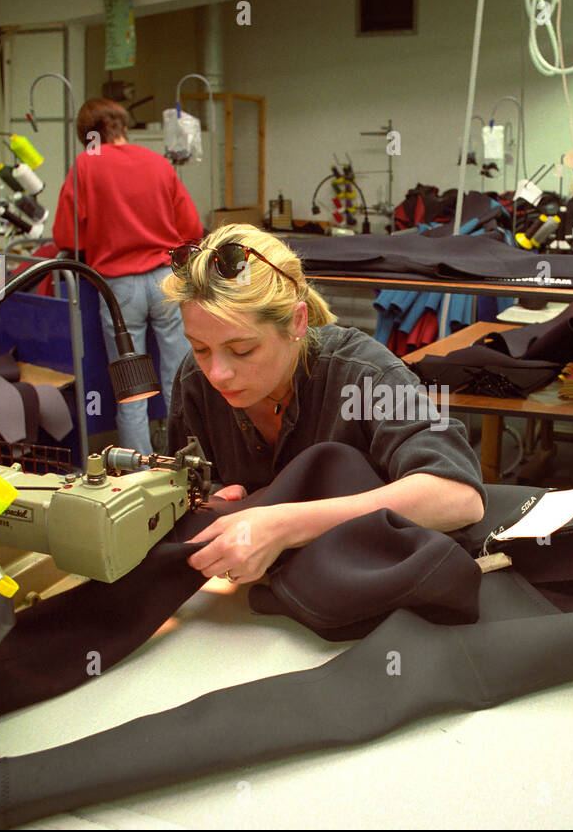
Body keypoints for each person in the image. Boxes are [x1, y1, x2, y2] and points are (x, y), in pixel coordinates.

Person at [162, 224, 486, 585]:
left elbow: (458, 496)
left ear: (298, 322)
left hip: (359, 583)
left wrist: (284, 525)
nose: (217, 374)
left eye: (242, 350)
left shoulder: (366, 375)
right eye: (200, 348)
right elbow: (183, 489)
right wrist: (216, 500)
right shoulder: (195, 381)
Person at [53, 98, 204, 454]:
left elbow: (65, 236)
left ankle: (140, 469)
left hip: (118, 290)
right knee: (178, 377)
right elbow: (192, 228)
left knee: (132, 387)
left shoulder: (86, 164)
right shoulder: (157, 162)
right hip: (166, 280)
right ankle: (186, 459)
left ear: (89, 134)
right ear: (124, 126)